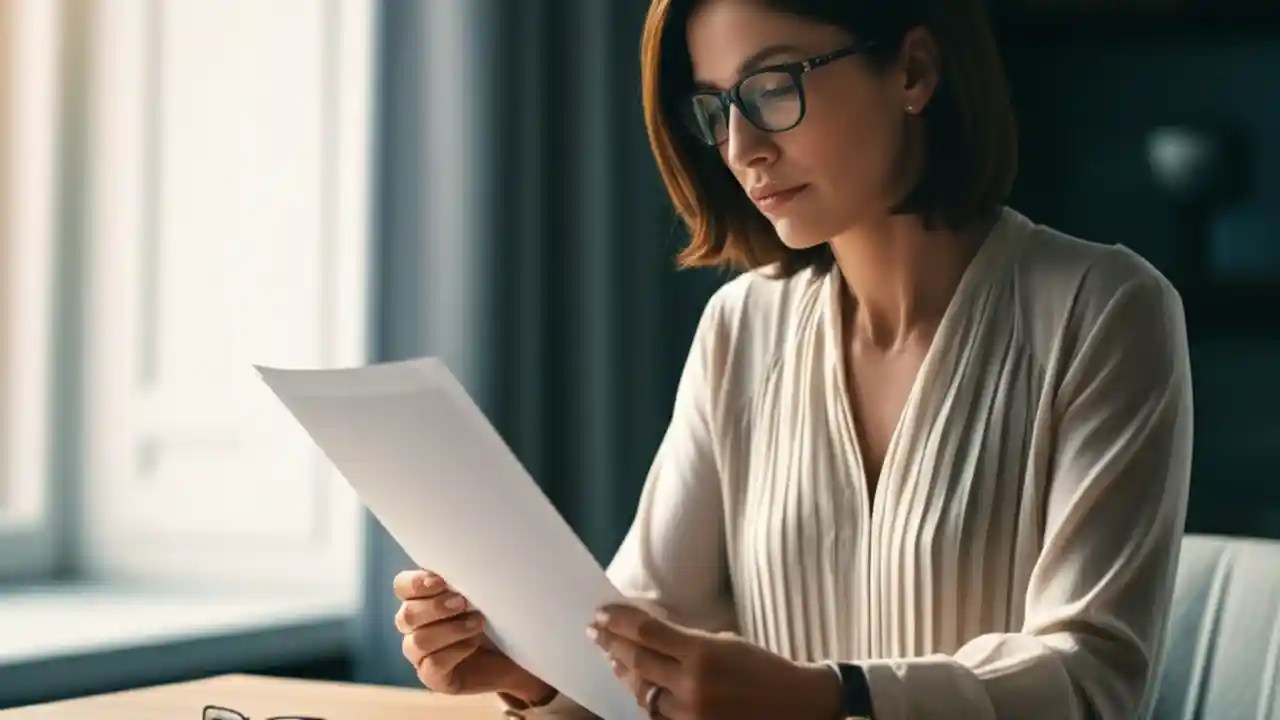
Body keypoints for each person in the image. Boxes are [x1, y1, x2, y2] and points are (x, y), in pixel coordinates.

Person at [392, 0, 1194, 717]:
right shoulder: (741, 328)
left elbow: (1093, 678)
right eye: (715, 109)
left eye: (773, 88)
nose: (742, 148)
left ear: (913, 69)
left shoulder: (1105, 309)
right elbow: (646, 619)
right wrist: (533, 671)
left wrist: (831, 698)